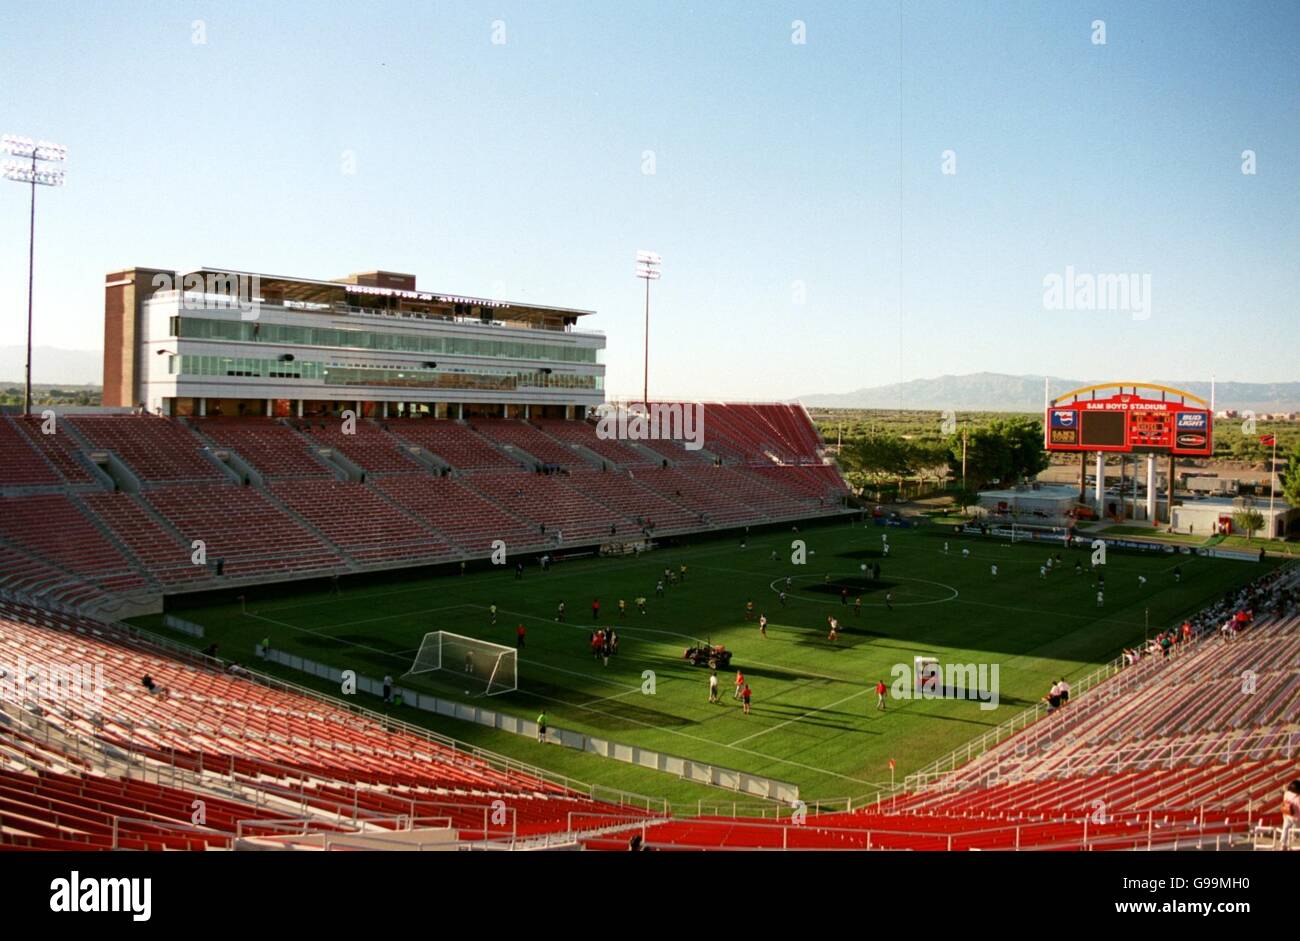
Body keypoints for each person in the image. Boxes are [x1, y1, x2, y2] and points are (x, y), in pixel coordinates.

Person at [1281, 780, 1300, 849]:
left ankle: (1283, 844)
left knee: (1285, 827)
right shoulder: (1298, 797)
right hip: (1297, 818)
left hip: (1287, 814)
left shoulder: (1286, 794)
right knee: (1293, 828)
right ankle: (1293, 838)